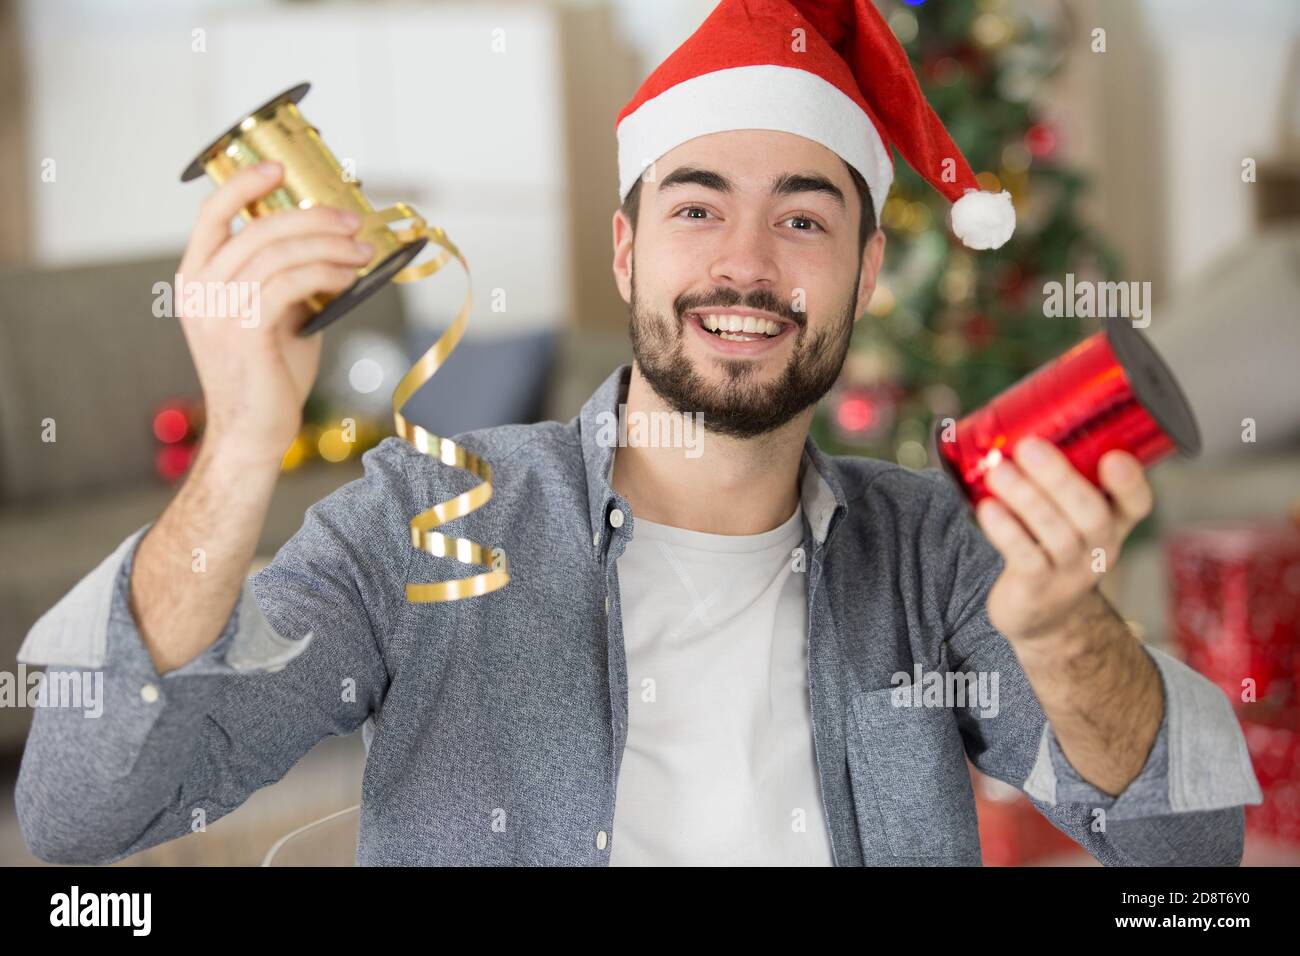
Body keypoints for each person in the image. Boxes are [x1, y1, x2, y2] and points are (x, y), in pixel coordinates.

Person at [16, 0, 1259, 866]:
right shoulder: (419, 519)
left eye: (805, 220)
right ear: (626, 246)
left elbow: (1181, 846)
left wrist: (1064, 627)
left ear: (870, 270)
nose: (743, 263)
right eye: (696, 206)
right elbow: (79, 809)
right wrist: (239, 443)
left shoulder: (933, 550)